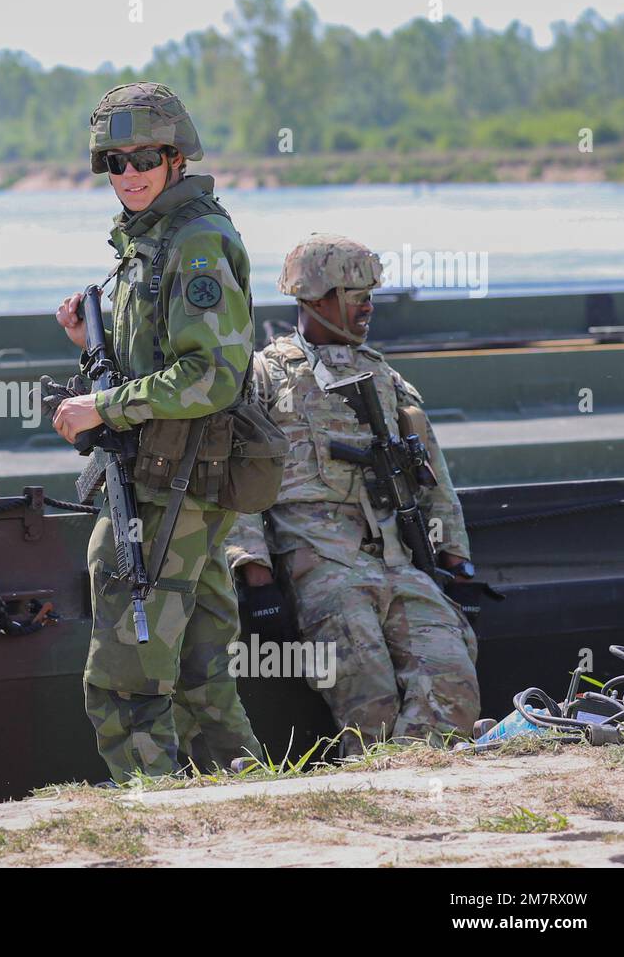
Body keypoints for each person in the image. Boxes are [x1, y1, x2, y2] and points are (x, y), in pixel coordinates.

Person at [50, 83, 262, 783]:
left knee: (123, 676)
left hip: (172, 487)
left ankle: (149, 805)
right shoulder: (155, 237)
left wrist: (102, 408)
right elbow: (162, 359)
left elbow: (211, 375)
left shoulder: (194, 241)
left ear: (175, 157)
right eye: (114, 161)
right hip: (176, 481)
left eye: (144, 157)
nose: (130, 172)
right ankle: (242, 795)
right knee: (202, 666)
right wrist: (93, 344)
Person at [224, 233, 481, 752]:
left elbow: (432, 473)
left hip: (396, 558)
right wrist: (256, 575)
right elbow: (238, 479)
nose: (367, 307)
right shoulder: (264, 376)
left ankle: (406, 786)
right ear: (314, 298)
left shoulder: (386, 379)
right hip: (318, 563)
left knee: (454, 683)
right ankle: (381, 799)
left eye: (370, 295)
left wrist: (454, 558)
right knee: (371, 701)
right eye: (354, 294)